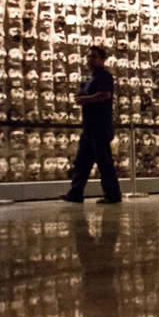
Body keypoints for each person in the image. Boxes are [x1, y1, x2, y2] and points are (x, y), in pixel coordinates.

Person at [61, 45, 123, 204]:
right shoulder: (91, 78)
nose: (90, 60)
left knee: (104, 162)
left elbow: (105, 95)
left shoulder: (105, 76)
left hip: (100, 126)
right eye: (89, 57)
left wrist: (85, 99)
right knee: (82, 161)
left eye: (94, 57)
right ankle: (76, 193)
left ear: (103, 60)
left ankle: (113, 194)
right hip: (90, 126)